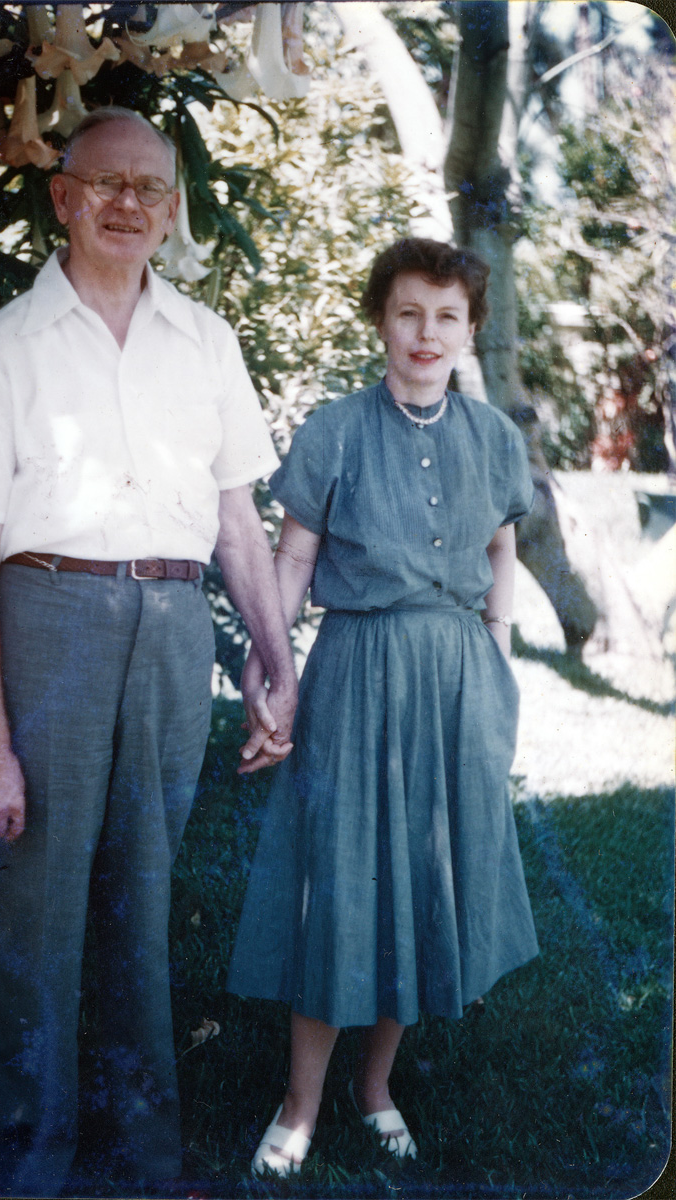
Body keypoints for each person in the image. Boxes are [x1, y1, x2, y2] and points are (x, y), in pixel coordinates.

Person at [0, 107, 297, 1196]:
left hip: (176, 632)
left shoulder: (207, 344)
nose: (129, 204)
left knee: (145, 900)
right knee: (38, 909)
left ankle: (142, 1162)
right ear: (64, 198)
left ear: (173, 210)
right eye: (107, 184)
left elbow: (236, 523)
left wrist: (277, 667)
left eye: (151, 188)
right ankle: (32, 1167)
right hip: (52, 623)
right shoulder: (3, 351)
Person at [227, 237, 540, 1175]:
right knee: (339, 881)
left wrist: (496, 651)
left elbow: (497, 552)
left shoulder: (493, 438)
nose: (425, 333)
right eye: (407, 312)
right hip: (357, 672)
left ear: (468, 328)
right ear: (379, 320)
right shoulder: (335, 428)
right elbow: (291, 560)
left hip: (456, 677)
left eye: (446, 316)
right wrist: (269, 665)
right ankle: (299, 1103)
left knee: (422, 881)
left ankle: (375, 1085)